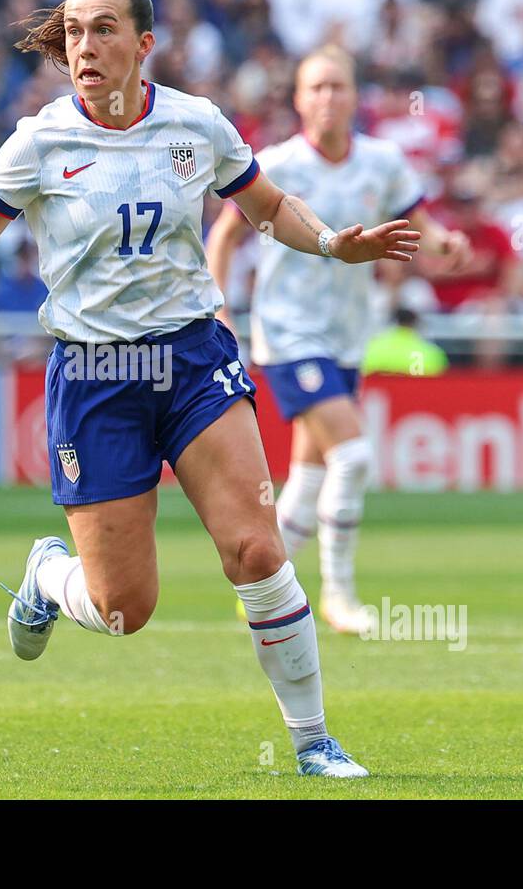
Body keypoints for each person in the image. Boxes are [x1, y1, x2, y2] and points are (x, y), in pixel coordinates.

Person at [0, 0, 419, 779]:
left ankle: (313, 742)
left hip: (192, 357)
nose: (85, 48)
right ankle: (47, 575)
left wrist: (333, 243)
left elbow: (266, 208)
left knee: (257, 551)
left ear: (143, 45)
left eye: (103, 31)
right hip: (95, 376)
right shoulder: (40, 140)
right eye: (75, 33)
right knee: (125, 610)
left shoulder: (197, 124)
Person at [205, 46, 469, 633]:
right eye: (317, 87)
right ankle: (338, 596)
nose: (328, 98)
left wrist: (445, 241)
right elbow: (224, 236)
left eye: (338, 87)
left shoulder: (383, 162)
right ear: (299, 100)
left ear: (355, 97)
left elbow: (417, 221)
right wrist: (219, 307)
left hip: (350, 333)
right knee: (353, 456)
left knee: (314, 475)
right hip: (290, 332)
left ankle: (262, 589)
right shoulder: (277, 164)